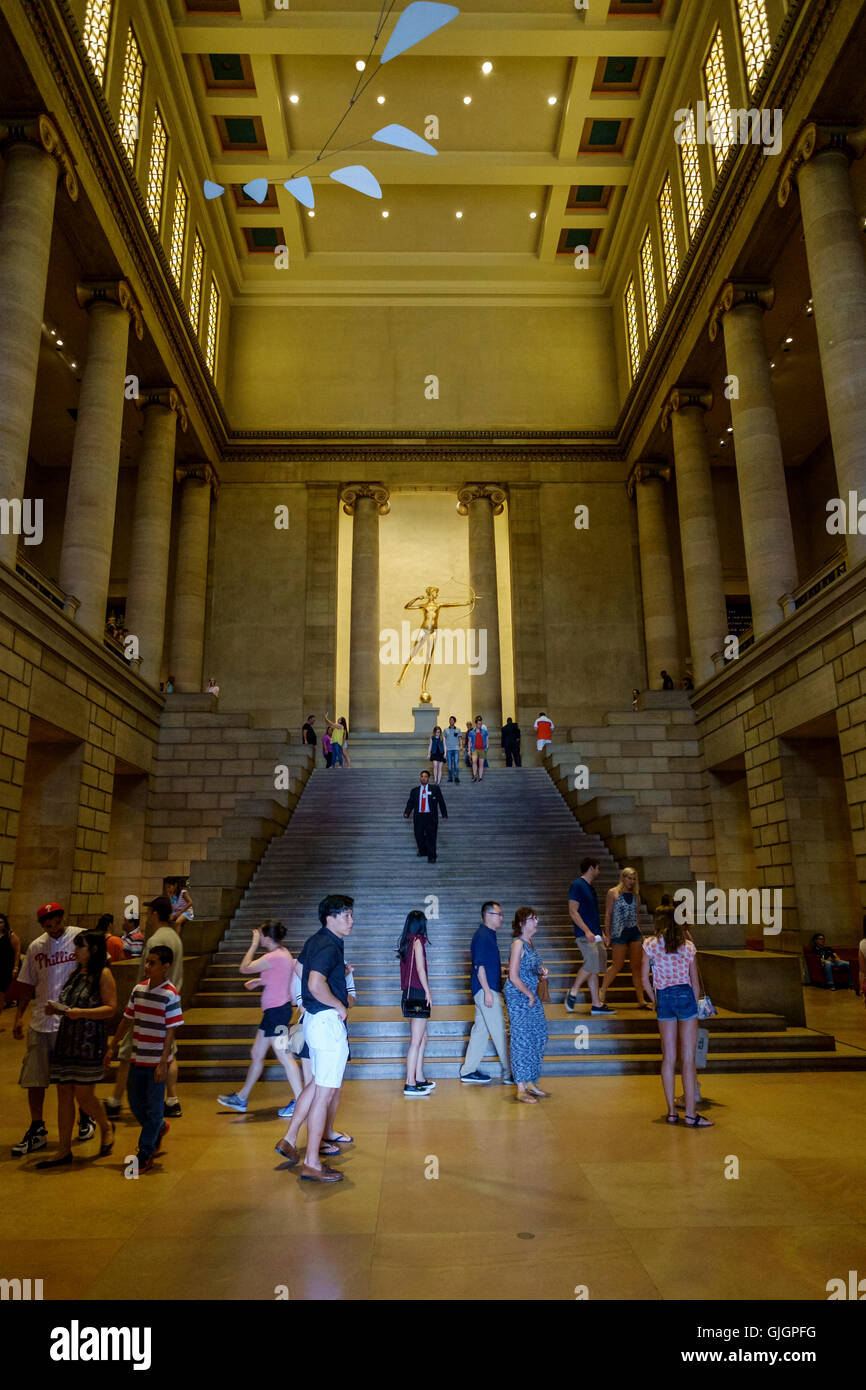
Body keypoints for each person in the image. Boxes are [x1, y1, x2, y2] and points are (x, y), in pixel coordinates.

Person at [275, 895, 354, 1183]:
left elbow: (302, 970)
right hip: (326, 1023)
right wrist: (338, 1005)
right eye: (345, 915)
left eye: (351, 914)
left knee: (316, 1085)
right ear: (329, 918)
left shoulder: (315, 940)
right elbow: (314, 982)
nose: (351, 920)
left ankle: (291, 1138)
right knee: (325, 1094)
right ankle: (312, 1162)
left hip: (313, 1020)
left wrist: (316, 996)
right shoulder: (328, 945)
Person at [11, 903, 96, 1157]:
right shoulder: (37, 947)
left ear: (62, 918)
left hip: (71, 1022)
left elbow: (102, 963)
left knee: (72, 1078)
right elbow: (27, 986)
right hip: (41, 1022)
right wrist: (18, 1017)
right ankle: (37, 1128)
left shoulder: (80, 937)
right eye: (47, 924)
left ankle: (85, 1117)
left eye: (56, 921)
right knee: (34, 1078)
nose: (53, 927)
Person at [36, 932, 117, 1168]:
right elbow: (70, 1004)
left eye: (79, 947)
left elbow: (111, 1008)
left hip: (88, 1041)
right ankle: (64, 1149)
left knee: (83, 1095)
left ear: (92, 949)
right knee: (63, 1091)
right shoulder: (75, 972)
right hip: (68, 1038)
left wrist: (81, 1013)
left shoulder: (103, 974)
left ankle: (104, 1125)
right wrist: (57, 1010)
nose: (75, 951)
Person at [106, 944, 184, 1171]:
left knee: (153, 1107)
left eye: (152, 963)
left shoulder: (170, 995)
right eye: (147, 962)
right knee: (136, 1103)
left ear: (165, 967)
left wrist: (162, 1063)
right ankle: (158, 1127)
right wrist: (112, 1045)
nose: (147, 966)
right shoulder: (138, 990)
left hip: (156, 1062)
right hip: (138, 1057)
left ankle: (145, 1151)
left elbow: (171, 1031)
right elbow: (126, 1020)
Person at [104, 897, 183, 1120]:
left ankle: (116, 1101)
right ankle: (172, 1100)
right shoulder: (175, 938)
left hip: (151, 1005)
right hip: (169, 1001)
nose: (147, 918)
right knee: (169, 1053)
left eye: (149, 914)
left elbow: (147, 975)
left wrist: (139, 997)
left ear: (155, 914)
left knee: (128, 1052)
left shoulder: (156, 940)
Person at [217, 922, 303, 1112]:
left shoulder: (273, 957)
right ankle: (241, 1098)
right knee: (257, 1053)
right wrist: (260, 981)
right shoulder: (283, 953)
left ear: (268, 937)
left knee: (285, 1055)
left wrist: (253, 944)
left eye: (261, 935)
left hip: (277, 1013)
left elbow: (245, 967)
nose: (260, 937)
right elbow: (280, 976)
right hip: (274, 1013)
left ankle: (300, 1102)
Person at [642, 905, 713, 1127]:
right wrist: (692, 1004)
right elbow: (695, 984)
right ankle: (691, 1114)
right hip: (685, 996)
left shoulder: (650, 945)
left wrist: (654, 1000)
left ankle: (671, 1112)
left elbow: (645, 979)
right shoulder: (688, 946)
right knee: (688, 1057)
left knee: (669, 1057)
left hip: (663, 997)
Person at [460, 901, 513, 1084]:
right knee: (499, 1030)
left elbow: (486, 963)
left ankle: (468, 1070)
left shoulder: (488, 935)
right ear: (489, 915)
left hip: (485, 989)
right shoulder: (483, 935)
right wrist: (487, 992)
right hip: (486, 990)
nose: (501, 918)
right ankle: (510, 1073)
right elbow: (479, 965)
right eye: (499, 914)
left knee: (480, 1031)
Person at [504, 907, 549, 1103]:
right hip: (519, 995)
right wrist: (529, 994)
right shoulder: (517, 944)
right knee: (521, 1038)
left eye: (536, 918)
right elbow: (512, 976)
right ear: (522, 923)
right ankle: (521, 1086)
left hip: (530, 995)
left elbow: (530, 969)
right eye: (532, 919)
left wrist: (542, 973)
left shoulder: (531, 943)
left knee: (539, 1034)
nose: (536, 922)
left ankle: (530, 1080)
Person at [563, 858, 615, 1016]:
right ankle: (573, 992)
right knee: (591, 961)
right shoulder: (577, 885)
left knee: (595, 968)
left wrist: (603, 933)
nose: (599, 872)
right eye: (598, 868)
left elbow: (593, 914)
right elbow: (573, 911)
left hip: (596, 932)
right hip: (585, 934)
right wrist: (586, 930)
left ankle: (596, 1004)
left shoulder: (590, 888)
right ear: (591, 868)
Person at [599, 868, 653, 1010]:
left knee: (636, 966)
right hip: (619, 932)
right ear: (623, 877)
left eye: (634, 878)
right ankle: (602, 991)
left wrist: (641, 933)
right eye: (629, 878)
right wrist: (607, 934)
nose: (632, 881)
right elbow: (608, 914)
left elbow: (637, 916)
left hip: (634, 932)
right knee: (617, 964)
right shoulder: (613, 893)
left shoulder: (635, 895)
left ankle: (641, 999)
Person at [397, 910, 434, 1097]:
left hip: (408, 994)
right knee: (416, 1041)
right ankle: (410, 1083)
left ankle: (419, 1077)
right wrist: (428, 991)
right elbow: (420, 968)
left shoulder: (407, 942)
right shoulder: (418, 942)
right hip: (418, 993)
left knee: (423, 1038)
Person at [404, 769, 448, 863]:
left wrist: (444, 813)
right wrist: (407, 812)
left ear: (428, 778)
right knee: (418, 836)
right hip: (419, 817)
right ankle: (423, 851)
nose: (423, 778)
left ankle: (432, 856)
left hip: (430, 817)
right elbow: (410, 803)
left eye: (425, 776)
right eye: (422, 776)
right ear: (420, 778)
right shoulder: (414, 791)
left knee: (431, 837)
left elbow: (441, 802)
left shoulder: (435, 789)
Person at [0, 911, 21, 1024]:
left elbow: (17, 951)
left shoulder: (10, 935)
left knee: (1, 997)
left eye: (1, 922)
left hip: (5, 969)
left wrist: (16, 967)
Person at [469, 715, 488, 782]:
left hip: (482, 749)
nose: (480, 725)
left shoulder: (484, 732)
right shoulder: (471, 732)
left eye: (481, 723)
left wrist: (486, 747)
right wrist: (469, 750)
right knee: (474, 762)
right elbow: (469, 741)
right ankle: (474, 776)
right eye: (478, 723)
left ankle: (480, 777)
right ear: (476, 723)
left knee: (481, 764)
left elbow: (487, 740)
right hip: (474, 749)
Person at [443, 715, 462, 783]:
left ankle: (456, 777)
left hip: (456, 749)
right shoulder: (445, 730)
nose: (451, 721)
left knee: (456, 764)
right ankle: (450, 778)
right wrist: (444, 749)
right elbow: (444, 740)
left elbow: (460, 738)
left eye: (452, 720)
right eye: (450, 720)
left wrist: (461, 746)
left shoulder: (458, 730)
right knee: (450, 766)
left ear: (454, 721)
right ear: (449, 721)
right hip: (448, 749)